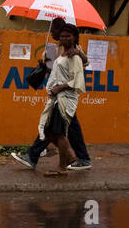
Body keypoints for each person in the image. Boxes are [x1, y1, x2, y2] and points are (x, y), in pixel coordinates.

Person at [12, 18, 92, 170]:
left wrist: (80, 55)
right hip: (58, 95)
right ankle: (79, 158)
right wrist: (45, 64)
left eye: (58, 30)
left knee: (51, 127)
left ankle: (34, 156)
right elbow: (54, 69)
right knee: (69, 128)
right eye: (56, 31)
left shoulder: (74, 48)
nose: (56, 34)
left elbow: (83, 65)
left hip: (66, 95)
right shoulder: (53, 47)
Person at [34, 27, 87, 177]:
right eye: (62, 36)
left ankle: (63, 164)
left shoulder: (75, 55)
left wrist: (59, 88)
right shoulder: (61, 52)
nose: (64, 38)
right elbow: (59, 72)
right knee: (50, 131)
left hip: (65, 99)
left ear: (75, 37)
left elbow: (77, 80)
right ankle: (68, 156)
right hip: (57, 98)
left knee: (58, 133)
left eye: (68, 36)